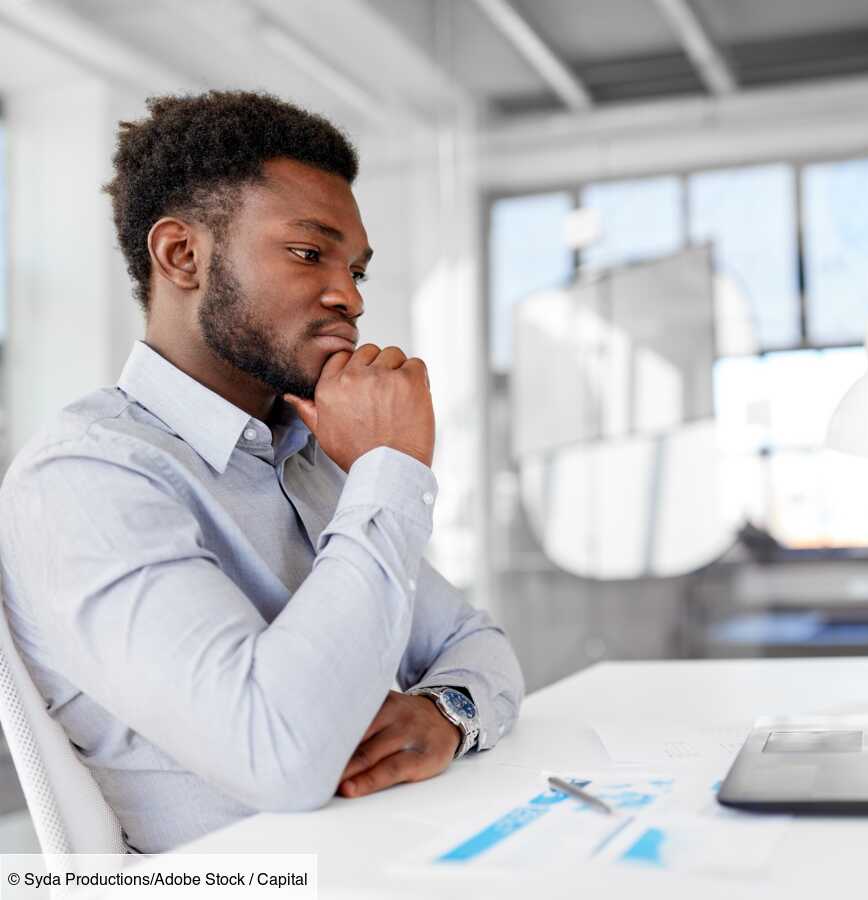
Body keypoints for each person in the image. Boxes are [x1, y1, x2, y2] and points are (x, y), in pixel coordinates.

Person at [0, 91, 523, 853]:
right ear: (182, 256)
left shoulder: (311, 462)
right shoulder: (88, 477)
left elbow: (479, 642)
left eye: (356, 270)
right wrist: (389, 467)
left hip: (396, 859)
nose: (348, 295)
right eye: (310, 253)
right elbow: (279, 755)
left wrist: (448, 712)